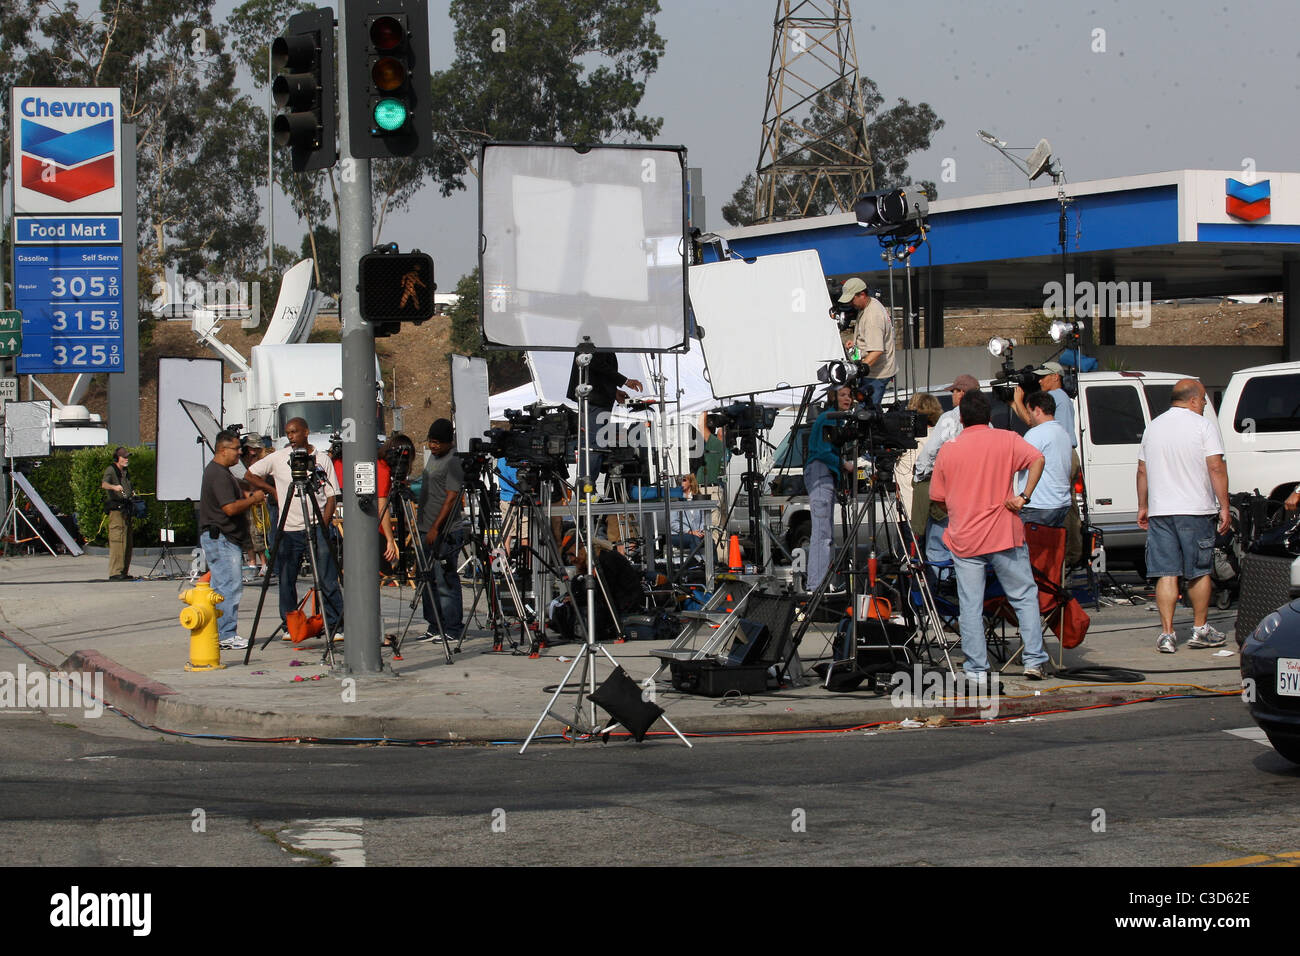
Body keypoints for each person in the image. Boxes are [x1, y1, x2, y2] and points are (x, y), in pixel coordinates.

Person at [930, 390, 1051, 681]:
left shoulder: (949, 449)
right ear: (989, 416)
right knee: (1023, 596)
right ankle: (1034, 659)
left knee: (970, 604)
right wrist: (1024, 496)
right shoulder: (1007, 439)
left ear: (960, 417)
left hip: (965, 536)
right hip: (1003, 532)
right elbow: (1038, 460)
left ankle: (977, 668)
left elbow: (937, 497)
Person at [1136, 378, 1231, 654]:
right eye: (1203, 400)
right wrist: (1224, 505)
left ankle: (1167, 634)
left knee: (1166, 573)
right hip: (1195, 510)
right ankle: (1200, 629)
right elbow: (1216, 467)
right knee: (1199, 572)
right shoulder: (1203, 427)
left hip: (1161, 511)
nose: (1203, 405)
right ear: (1192, 400)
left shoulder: (1153, 427)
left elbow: (1142, 470)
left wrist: (1143, 505)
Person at [245, 417, 344, 639]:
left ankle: (336, 624)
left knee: (327, 578)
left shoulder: (321, 460)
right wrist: (271, 490)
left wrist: (324, 524)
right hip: (288, 530)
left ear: (306, 432)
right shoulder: (278, 458)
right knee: (287, 579)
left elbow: (331, 497)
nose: (290, 436)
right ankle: (290, 624)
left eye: (294, 432)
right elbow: (249, 474)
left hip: (317, 526)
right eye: (288, 433)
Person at [200, 432, 268, 651]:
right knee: (229, 586)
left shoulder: (221, 472)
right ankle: (226, 634)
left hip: (223, 538)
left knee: (221, 586)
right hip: (221, 538)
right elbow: (228, 508)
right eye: (237, 448)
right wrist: (253, 500)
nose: (240, 452)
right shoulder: (218, 474)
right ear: (222, 450)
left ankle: (218, 632)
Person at [913, 374, 980, 562]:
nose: (953, 395)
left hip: (949, 491)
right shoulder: (986, 420)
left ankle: (942, 586)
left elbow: (931, 451)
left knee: (938, 545)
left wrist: (920, 473)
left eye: (955, 391)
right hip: (974, 494)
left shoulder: (949, 418)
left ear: (962, 393)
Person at [415, 419, 467, 644]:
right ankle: (434, 624)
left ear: (448, 442)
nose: (433, 446)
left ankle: (453, 627)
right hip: (425, 527)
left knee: (445, 580)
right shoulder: (433, 459)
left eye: (437, 442)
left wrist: (436, 527)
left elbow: (451, 497)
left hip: (445, 531)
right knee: (427, 579)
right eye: (430, 441)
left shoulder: (453, 461)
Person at [804, 384, 855, 594]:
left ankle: (823, 581)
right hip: (820, 471)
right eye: (843, 395)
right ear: (833, 396)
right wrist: (844, 464)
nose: (848, 399)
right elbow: (824, 451)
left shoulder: (836, 419)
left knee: (826, 534)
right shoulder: (829, 418)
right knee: (822, 533)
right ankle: (816, 585)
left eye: (850, 395)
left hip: (825, 474)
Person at [566, 348, 642, 488]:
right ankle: (586, 489)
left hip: (597, 398)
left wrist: (614, 392)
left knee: (593, 444)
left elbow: (597, 374)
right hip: (593, 400)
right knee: (594, 444)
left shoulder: (598, 337)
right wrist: (624, 381)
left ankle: (587, 488)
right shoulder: (594, 335)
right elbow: (594, 363)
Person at [1016, 391, 1074, 528]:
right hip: (1061, 503)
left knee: (1031, 548)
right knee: (1053, 548)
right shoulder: (1063, 433)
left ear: (1037, 411)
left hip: (1039, 505)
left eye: (1029, 412)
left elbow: (1020, 463)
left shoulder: (1036, 433)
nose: (1029, 417)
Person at [839, 277, 896, 406]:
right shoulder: (871, 303)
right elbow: (872, 341)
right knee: (868, 411)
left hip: (877, 374)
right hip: (875, 370)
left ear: (862, 295)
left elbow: (876, 351)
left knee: (866, 413)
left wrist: (857, 370)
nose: (850, 303)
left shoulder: (872, 317)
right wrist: (856, 346)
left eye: (852, 299)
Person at [894, 393, 943, 538]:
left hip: (910, 511)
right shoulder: (942, 436)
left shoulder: (905, 440)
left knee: (912, 557)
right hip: (938, 510)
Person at [1013, 361, 1077, 448]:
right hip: (1066, 449)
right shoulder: (1062, 395)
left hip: (1059, 448)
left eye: (1043, 377)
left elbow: (1031, 421)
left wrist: (1018, 401)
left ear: (1055, 377)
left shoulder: (1053, 395)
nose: (1039, 381)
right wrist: (1013, 404)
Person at [100, 446, 135, 581]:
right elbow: (104, 484)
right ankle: (115, 572)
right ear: (117, 458)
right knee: (117, 541)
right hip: (116, 511)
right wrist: (114, 487)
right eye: (124, 457)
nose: (126, 459)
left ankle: (124, 571)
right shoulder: (111, 469)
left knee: (127, 541)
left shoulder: (125, 471)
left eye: (127, 457)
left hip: (126, 510)